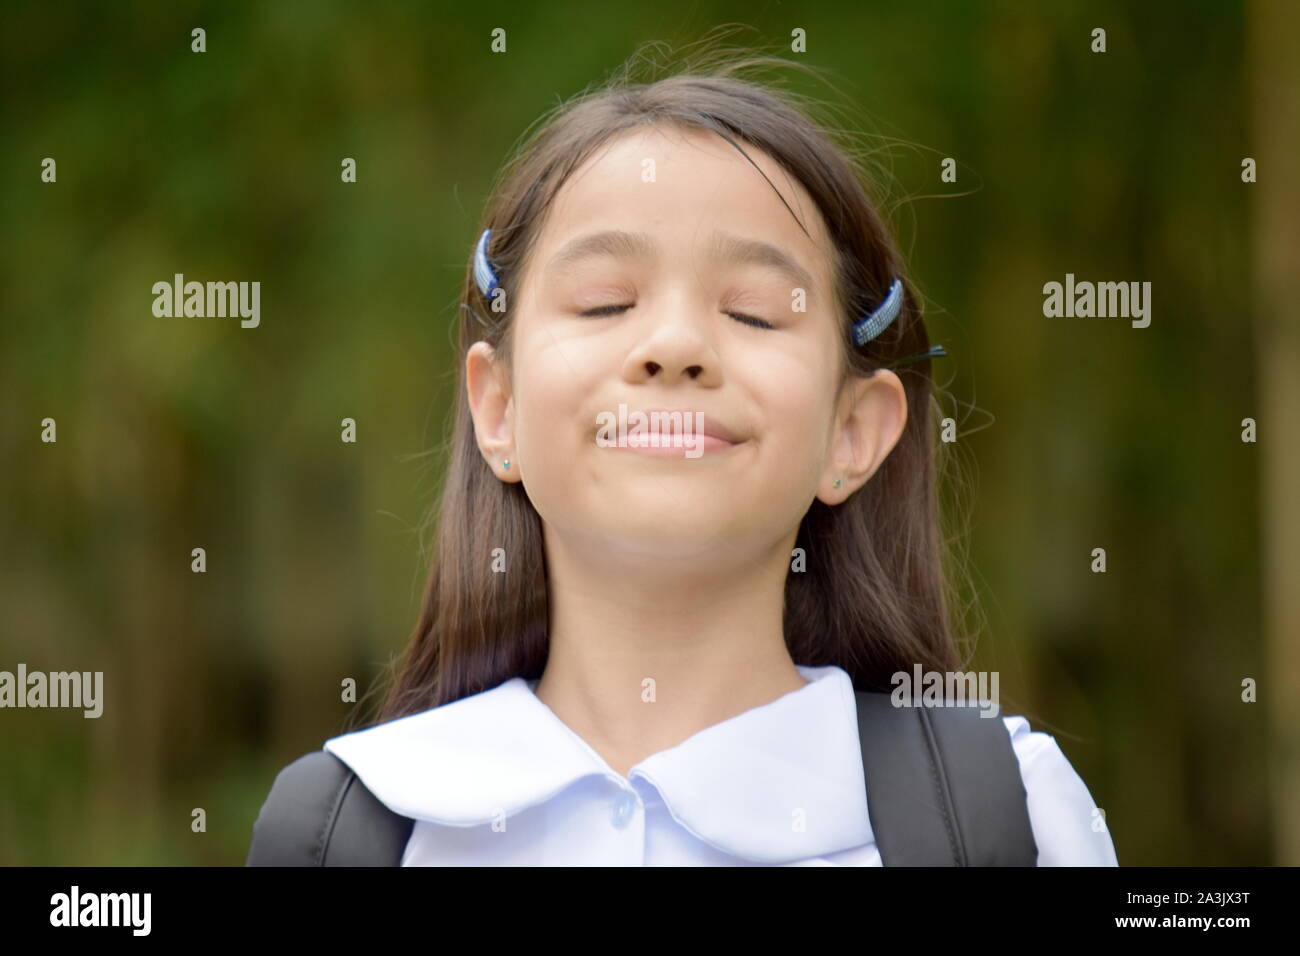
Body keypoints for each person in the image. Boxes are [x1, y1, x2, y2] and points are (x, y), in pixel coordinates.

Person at [249, 48, 1119, 867]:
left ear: (854, 432)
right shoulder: (353, 829)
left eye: (751, 311)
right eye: (602, 303)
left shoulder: (1007, 812)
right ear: (498, 407)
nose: (673, 344)